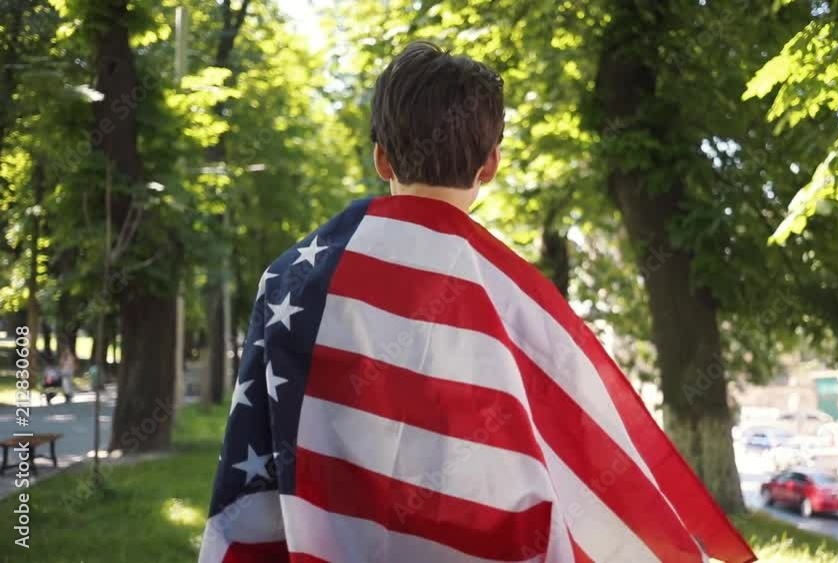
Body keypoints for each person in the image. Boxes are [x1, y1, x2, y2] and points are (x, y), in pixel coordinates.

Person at [198, 42, 754, 563]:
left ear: (381, 158)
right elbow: (581, 463)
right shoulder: (522, 302)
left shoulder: (293, 280)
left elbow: (257, 463)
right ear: (490, 165)